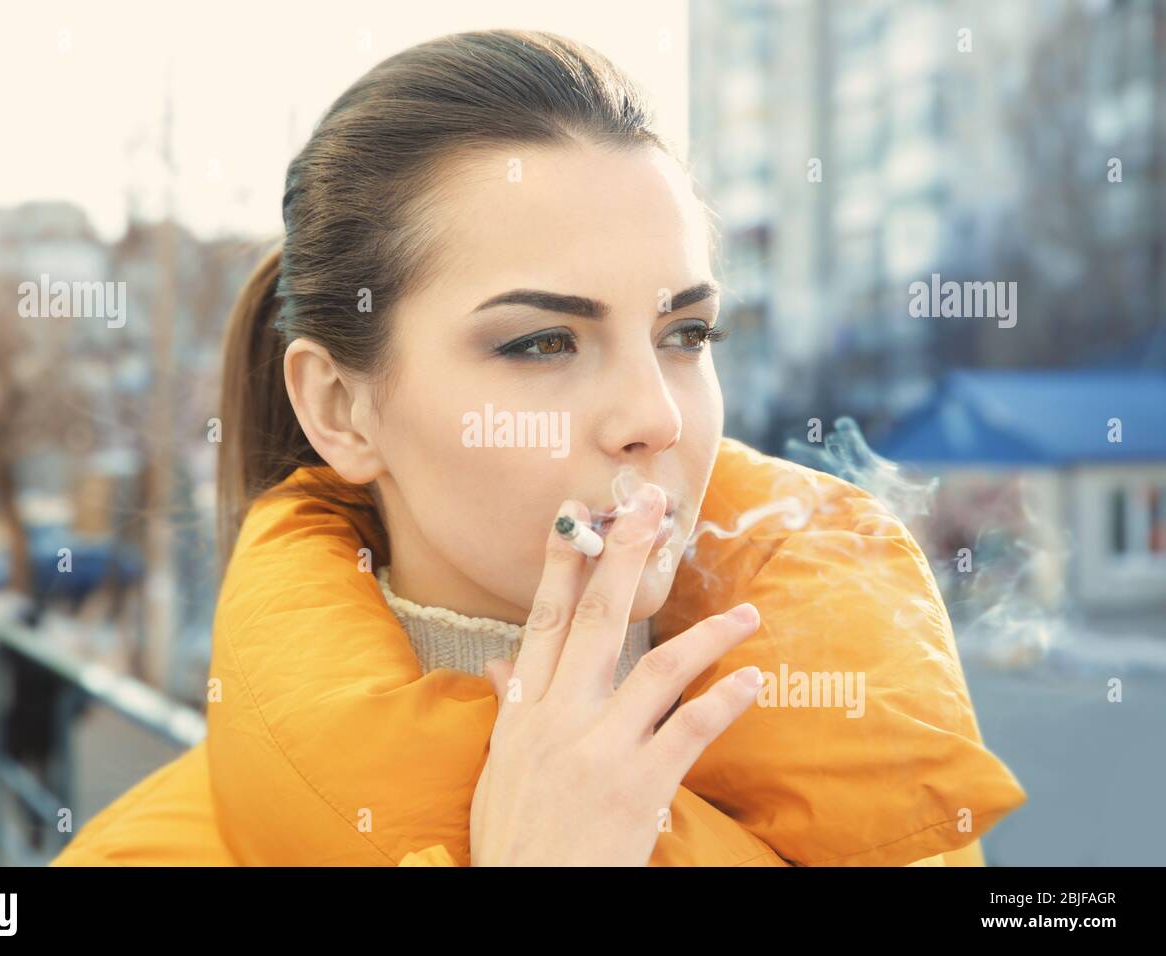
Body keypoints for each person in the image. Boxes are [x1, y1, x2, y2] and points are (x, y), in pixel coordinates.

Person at [52, 28, 1024, 867]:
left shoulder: (881, 769)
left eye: (686, 334)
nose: (655, 415)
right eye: (541, 342)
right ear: (342, 409)